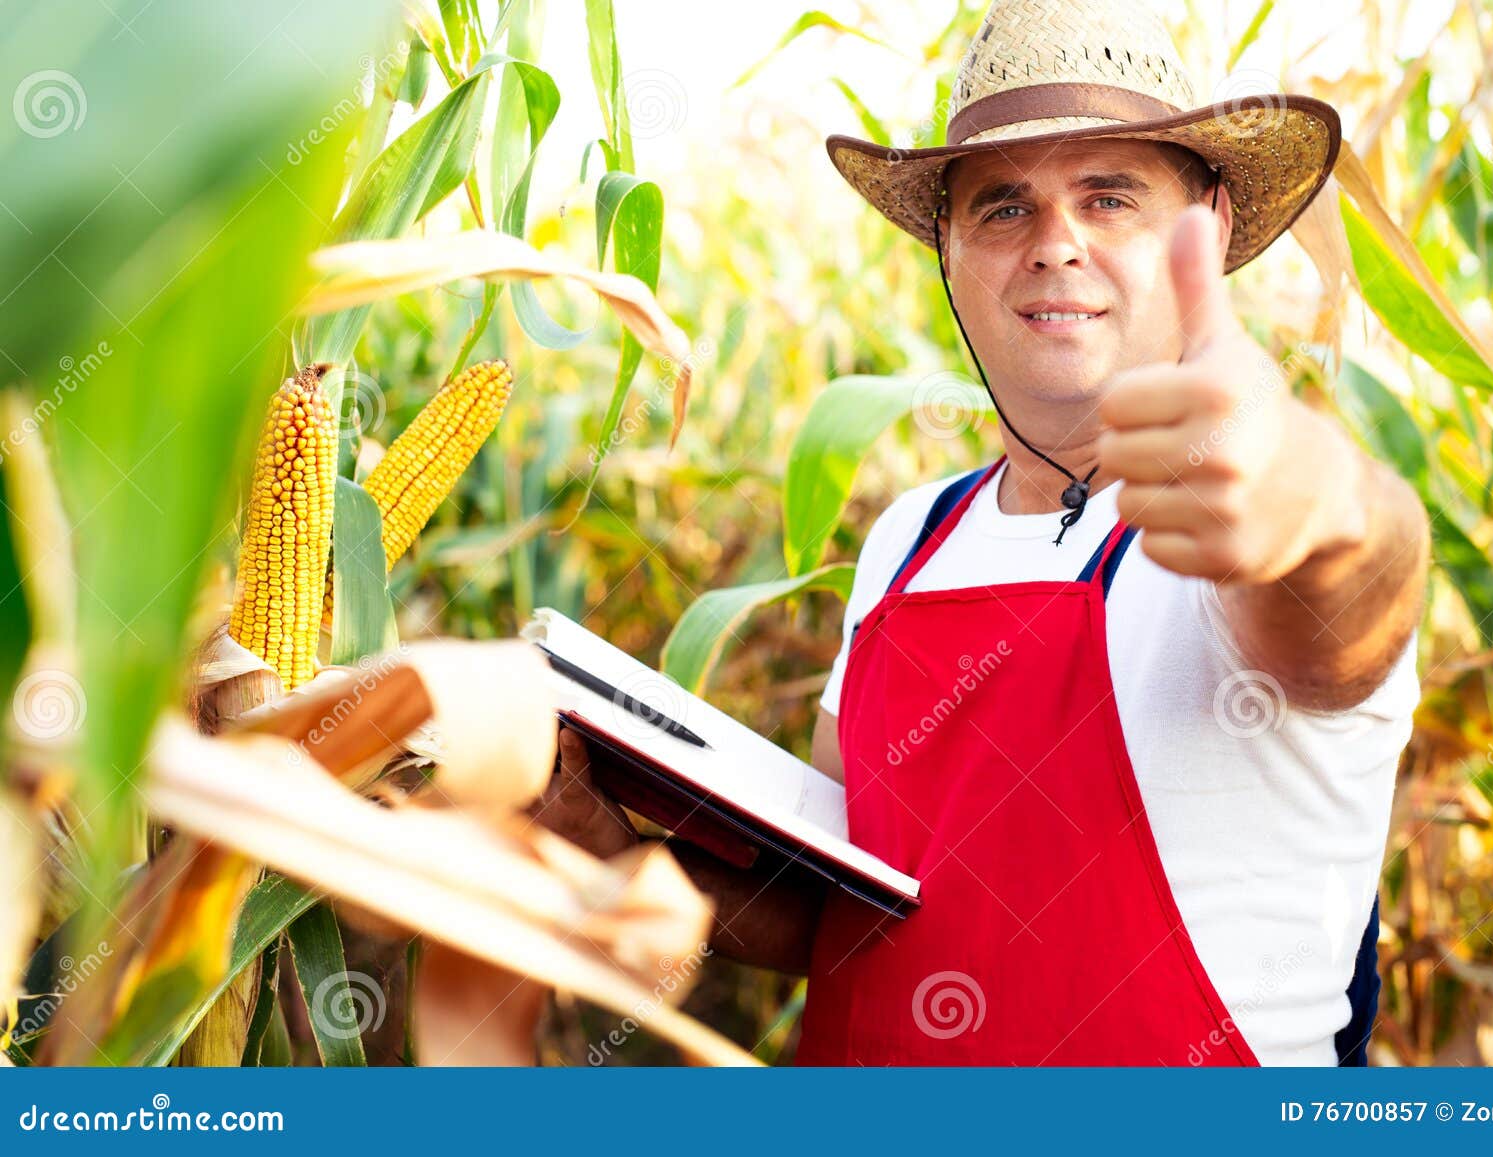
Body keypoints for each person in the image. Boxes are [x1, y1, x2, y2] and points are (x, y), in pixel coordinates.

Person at [534, 0, 1428, 1066]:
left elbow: (1358, 577)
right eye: (1004, 207)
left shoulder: (1240, 528)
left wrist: (1310, 493)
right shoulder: (906, 542)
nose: (1056, 245)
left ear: (1212, 225)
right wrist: (609, 848)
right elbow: (844, 914)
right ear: (948, 252)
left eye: (1109, 197)